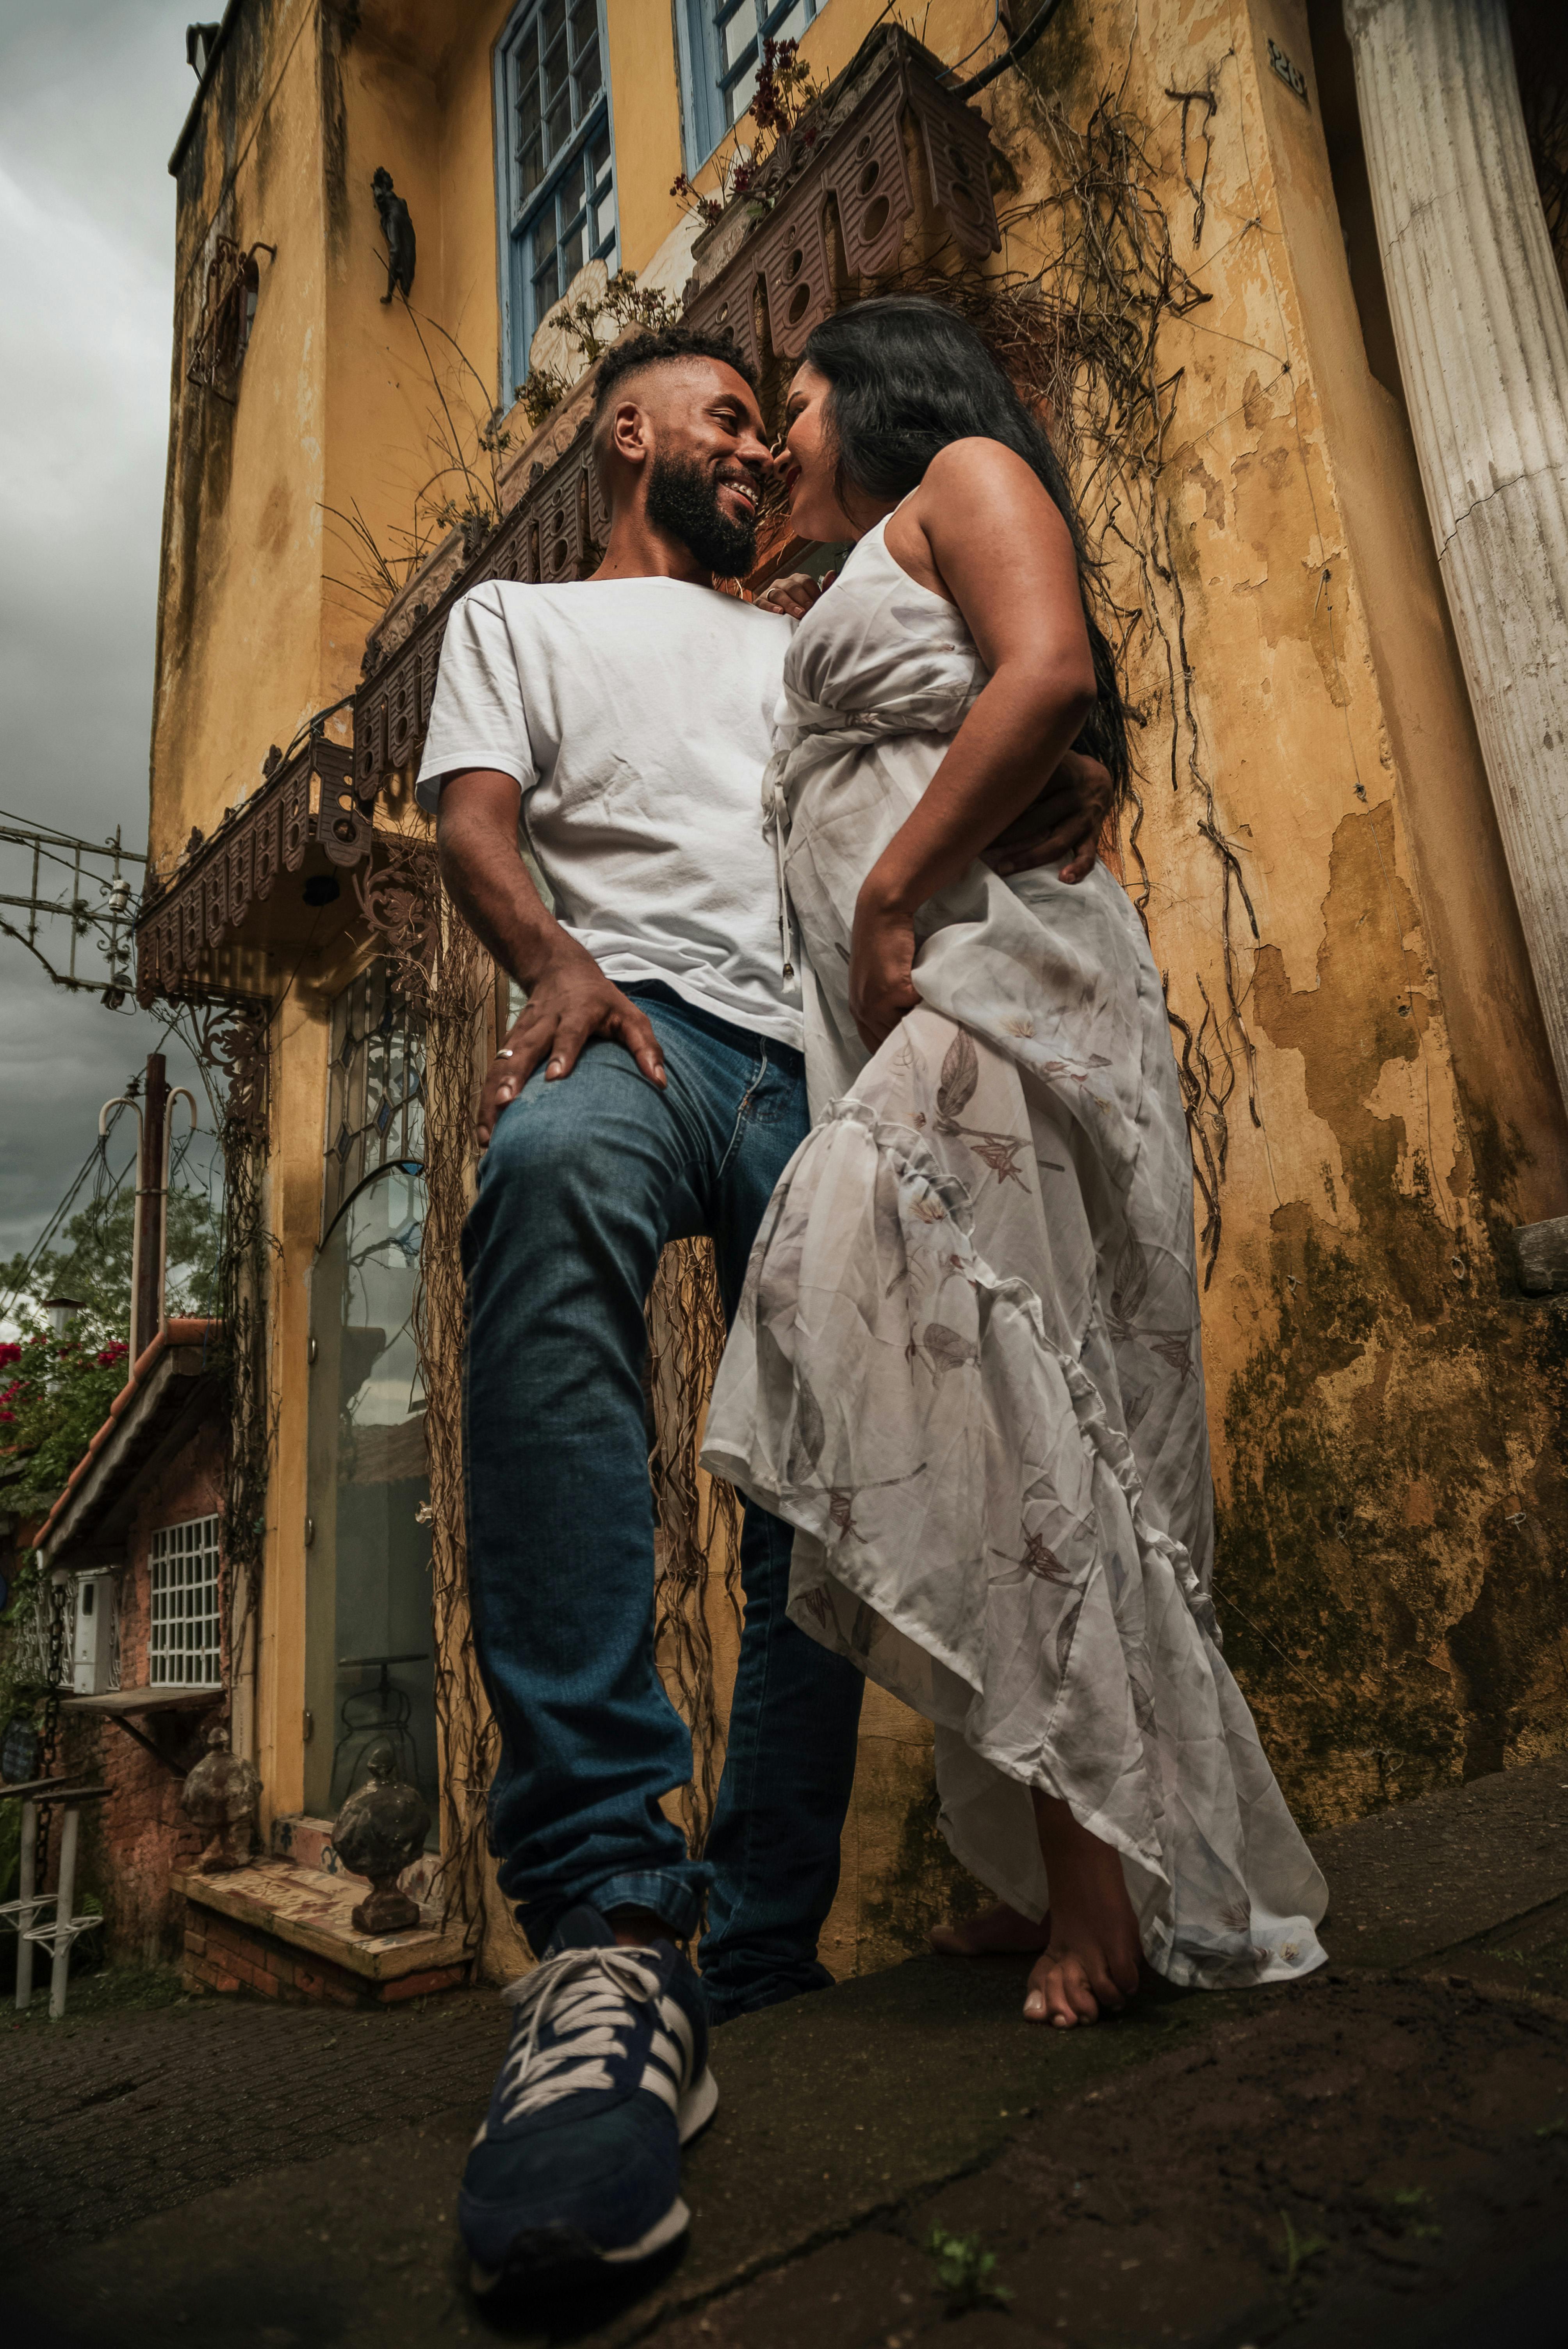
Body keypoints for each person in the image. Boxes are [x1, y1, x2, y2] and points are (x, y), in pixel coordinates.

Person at [417, 324, 1109, 2292]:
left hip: (814, 1058)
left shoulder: (809, 615)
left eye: (767, 421)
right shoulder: (518, 617)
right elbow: (476, 814)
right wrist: (548, 957)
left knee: (814, 1471)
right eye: (721, 415)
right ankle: (610, 1924)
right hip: (629, 1031)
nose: (750, 445)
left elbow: (982, 677)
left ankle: (759, 1935)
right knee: (542, 1180)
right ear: (625, 435)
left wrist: (1068, 783)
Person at [702, 296, 1329, 2041]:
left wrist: (893, 892)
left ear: (879, 397)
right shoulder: (839, 583)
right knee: (985, 1398)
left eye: (797, 401)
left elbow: (1044, 669)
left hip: (995, 986)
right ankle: (1069, 1860)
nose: (773, 442)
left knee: (1004, 1380)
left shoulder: (970, 471)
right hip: (934, 1006)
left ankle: (1092, 1888)